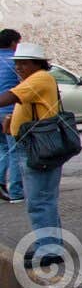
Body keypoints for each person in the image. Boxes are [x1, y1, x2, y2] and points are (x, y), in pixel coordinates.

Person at [0, 42, 67, 267]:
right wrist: (12, 120)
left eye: (23, 63)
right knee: (43, 198)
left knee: (39, 200)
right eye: (17, 63)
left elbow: (8, 98)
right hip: (31, 145)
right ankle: (49, 243)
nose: (19, 67)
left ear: (37, 64)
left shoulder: (39, 79)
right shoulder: (32, 80)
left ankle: (49, 249)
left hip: (38, 147)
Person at [0, 29, 24, 203]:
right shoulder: (16, 62)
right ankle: (16, 192)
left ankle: (1, 184)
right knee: (15, 151)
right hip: (9, 112)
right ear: (13, 43)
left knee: (2, 149)